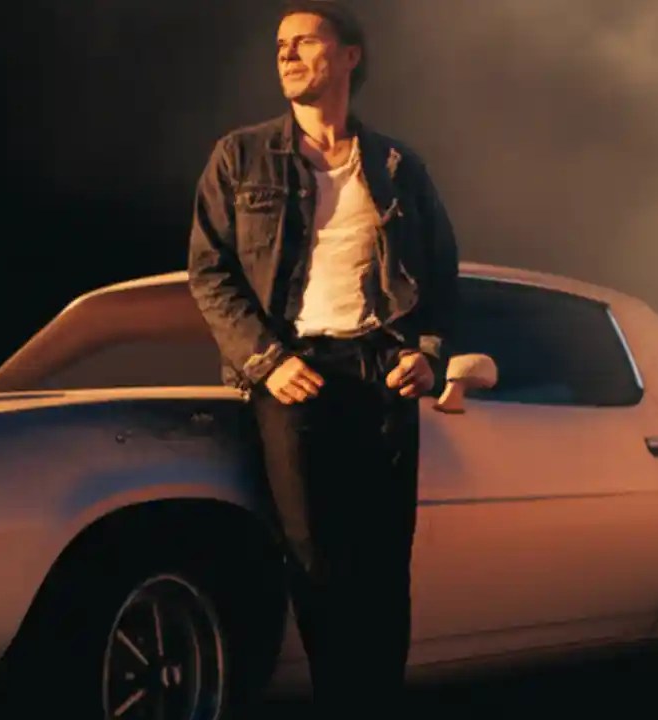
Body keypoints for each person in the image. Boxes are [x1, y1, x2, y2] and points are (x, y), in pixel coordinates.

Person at [186, 0, 460, 715]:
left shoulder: (396, 165)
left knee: (384, 567)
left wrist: (428, 355)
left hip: (382, 376)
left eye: (304, 41)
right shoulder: (240, 157)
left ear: (349, 56)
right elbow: (209, 272)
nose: (284, 54)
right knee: (315, 563)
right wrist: (266, 361)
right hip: (294, 376)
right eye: (279, 44)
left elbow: (440, 273)